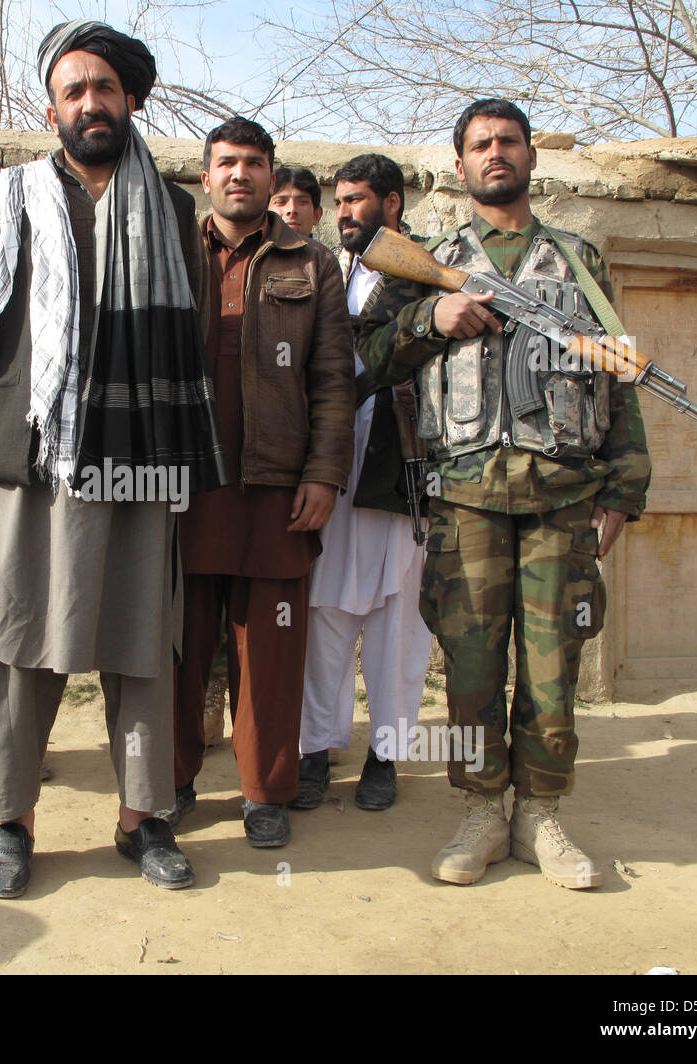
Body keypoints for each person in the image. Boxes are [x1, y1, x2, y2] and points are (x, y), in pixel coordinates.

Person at [0, 19, 226, 898]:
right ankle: (11, 820)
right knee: (13, 644)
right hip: (31, 455)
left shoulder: (174, 209)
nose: (90, 103)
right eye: (73, 91)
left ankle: (141, 817)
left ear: (132, 99)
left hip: (140, 455)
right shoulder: (12, 198)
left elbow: (186, 346)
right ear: (52, 110)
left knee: (141, 642)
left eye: (104, 87)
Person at [359, 99, 651, 888]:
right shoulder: (430, 257)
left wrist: (623, 490)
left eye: (508, 142)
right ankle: (482, 809)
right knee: (474, 667)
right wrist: (432, 317)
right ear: (460, 166)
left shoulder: (578, 258)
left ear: (529, 156)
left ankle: (542, 815)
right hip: (465, 500)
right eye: (480, 145)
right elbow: (375, 359)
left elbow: (617, 378)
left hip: (563, 497)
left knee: (553, 669)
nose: (496, 153)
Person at [165, 116, 355, 849]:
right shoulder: (172, 254)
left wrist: (325, 474)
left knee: (269, 653)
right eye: (225, 163)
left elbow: (334, 381)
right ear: (205, 176)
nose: (238, 174)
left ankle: (265, 790)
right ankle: (172, 781)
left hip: (274, 489)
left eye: (252, 163)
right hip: (180, 488)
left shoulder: (312, 263)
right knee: (177, 646)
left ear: (274, 178)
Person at [294, 154, 432, 814]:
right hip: (334, 470)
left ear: (393, 204)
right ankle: (316, 748)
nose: (345, 212)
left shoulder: (426, 275)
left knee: (396, 625)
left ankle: (386, 754)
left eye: (357, 201)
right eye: (340, 202)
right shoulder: (336, 271)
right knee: (324, 613)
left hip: (396, 469)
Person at [268, 166, 324, 239]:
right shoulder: (250, 249)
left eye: (302, 202)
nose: (292, 209)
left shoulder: (323, 251)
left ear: (316, 215)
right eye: (280, 202)